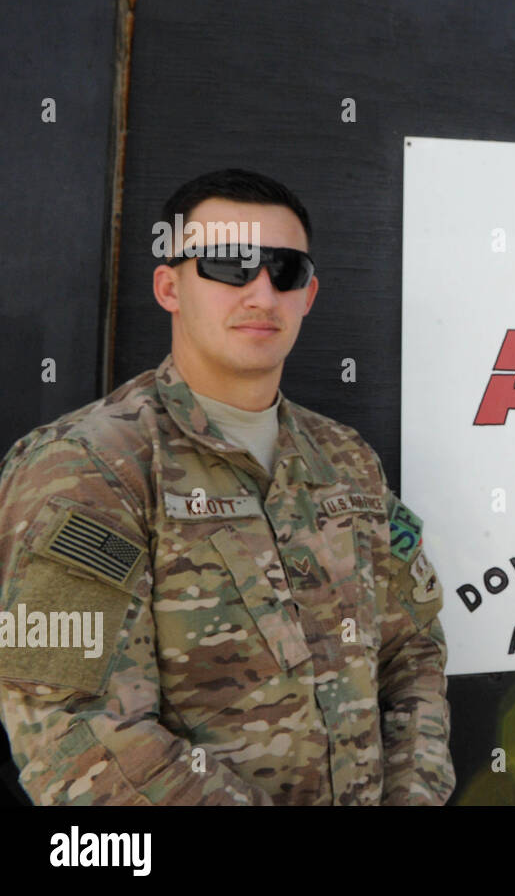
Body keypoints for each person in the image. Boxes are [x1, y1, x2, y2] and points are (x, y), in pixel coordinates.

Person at [0, 168, 454, 805]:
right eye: (228, 266)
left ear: (309, 294)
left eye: (284, 270)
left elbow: (414, 655)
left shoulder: (348, 461)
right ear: (169, 286)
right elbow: (72, 728)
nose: (262, 293)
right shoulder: (90, 468)